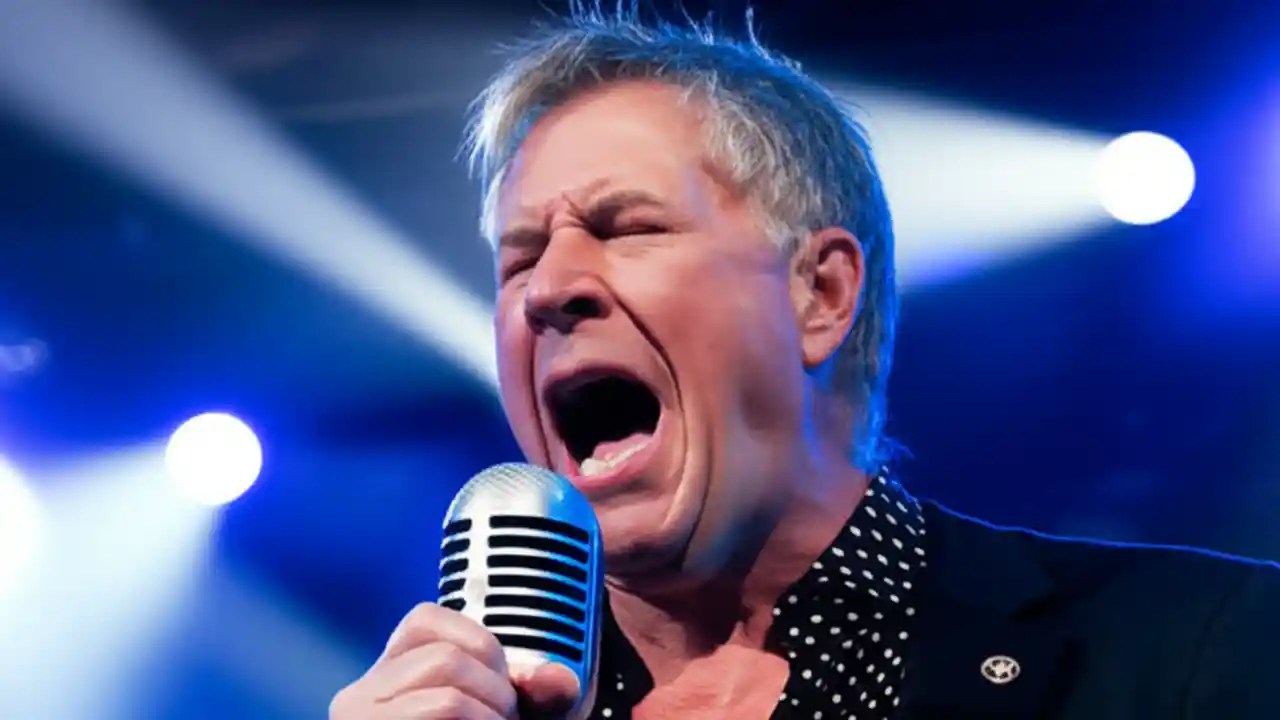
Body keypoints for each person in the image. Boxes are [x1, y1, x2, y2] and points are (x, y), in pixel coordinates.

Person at [330, 5, 1280, 719]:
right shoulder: (452, 704)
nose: (546, 291)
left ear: (820, 293)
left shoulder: (1205, 645)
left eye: (627, 228)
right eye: (519, 257)